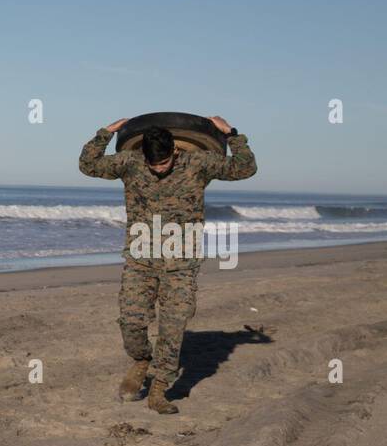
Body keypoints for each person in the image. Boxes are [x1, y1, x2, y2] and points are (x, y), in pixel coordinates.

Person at [79, 117, 257, 413]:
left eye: (163, 163)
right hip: (141, 258)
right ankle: (141, 360)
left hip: (181, 261)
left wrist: (231, 134)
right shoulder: (131, 163)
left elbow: (245, 168)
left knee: (173, 327)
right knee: (132, 322)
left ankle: (159, 388)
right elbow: (88, 164)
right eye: (153, 164)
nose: (159, 169)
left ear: (175, 150)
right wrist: (106, 133)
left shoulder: (198, 163)